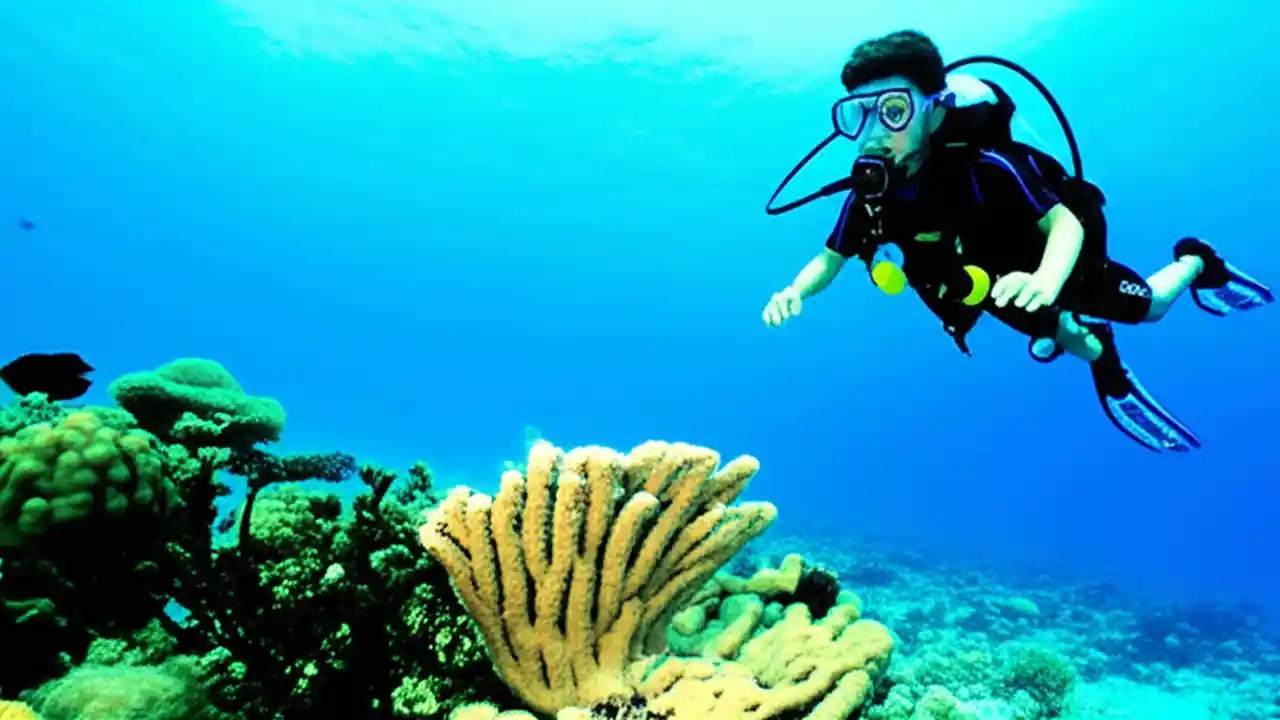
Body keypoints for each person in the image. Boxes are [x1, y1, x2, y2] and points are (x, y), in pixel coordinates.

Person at [760, 30, 1273, 453]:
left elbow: (1066, 225)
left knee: (1153, 308)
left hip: (1054, 266)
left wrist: (1048, 281)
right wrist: (795, 291)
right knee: (1073, 340)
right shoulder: (872, 195)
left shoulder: (986, 167)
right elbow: (830, 259)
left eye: (893, 110)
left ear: (936, 110)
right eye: (859, 114)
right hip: (991, 285)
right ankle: (1100, 354)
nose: (875, 131)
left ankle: (1196, 260)